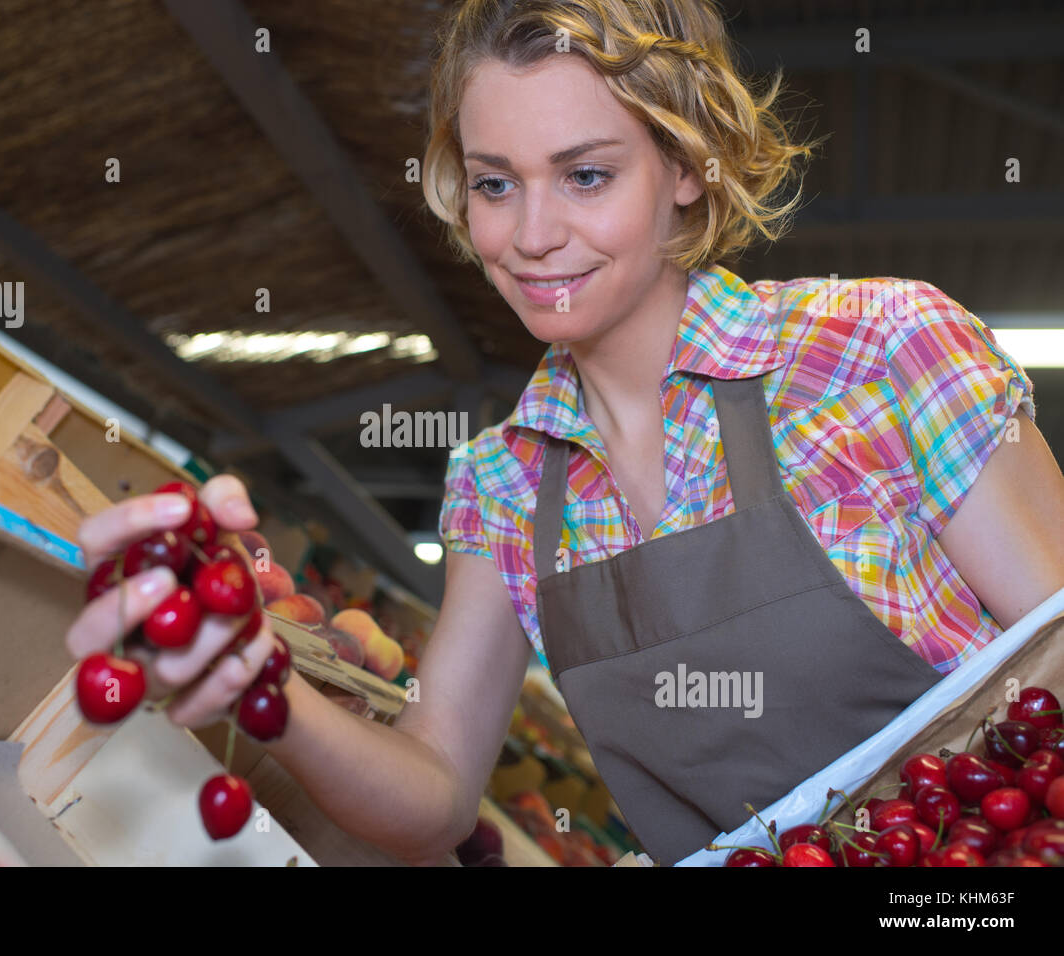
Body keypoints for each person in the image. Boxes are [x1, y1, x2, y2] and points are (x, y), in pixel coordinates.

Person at [63, 0, 1064, 865]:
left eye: (584, 175)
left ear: (684, 164)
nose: (530, 234)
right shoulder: (502, 486)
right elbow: (435, 788)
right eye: (496, 183)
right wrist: (258, 677)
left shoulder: (877, 351)